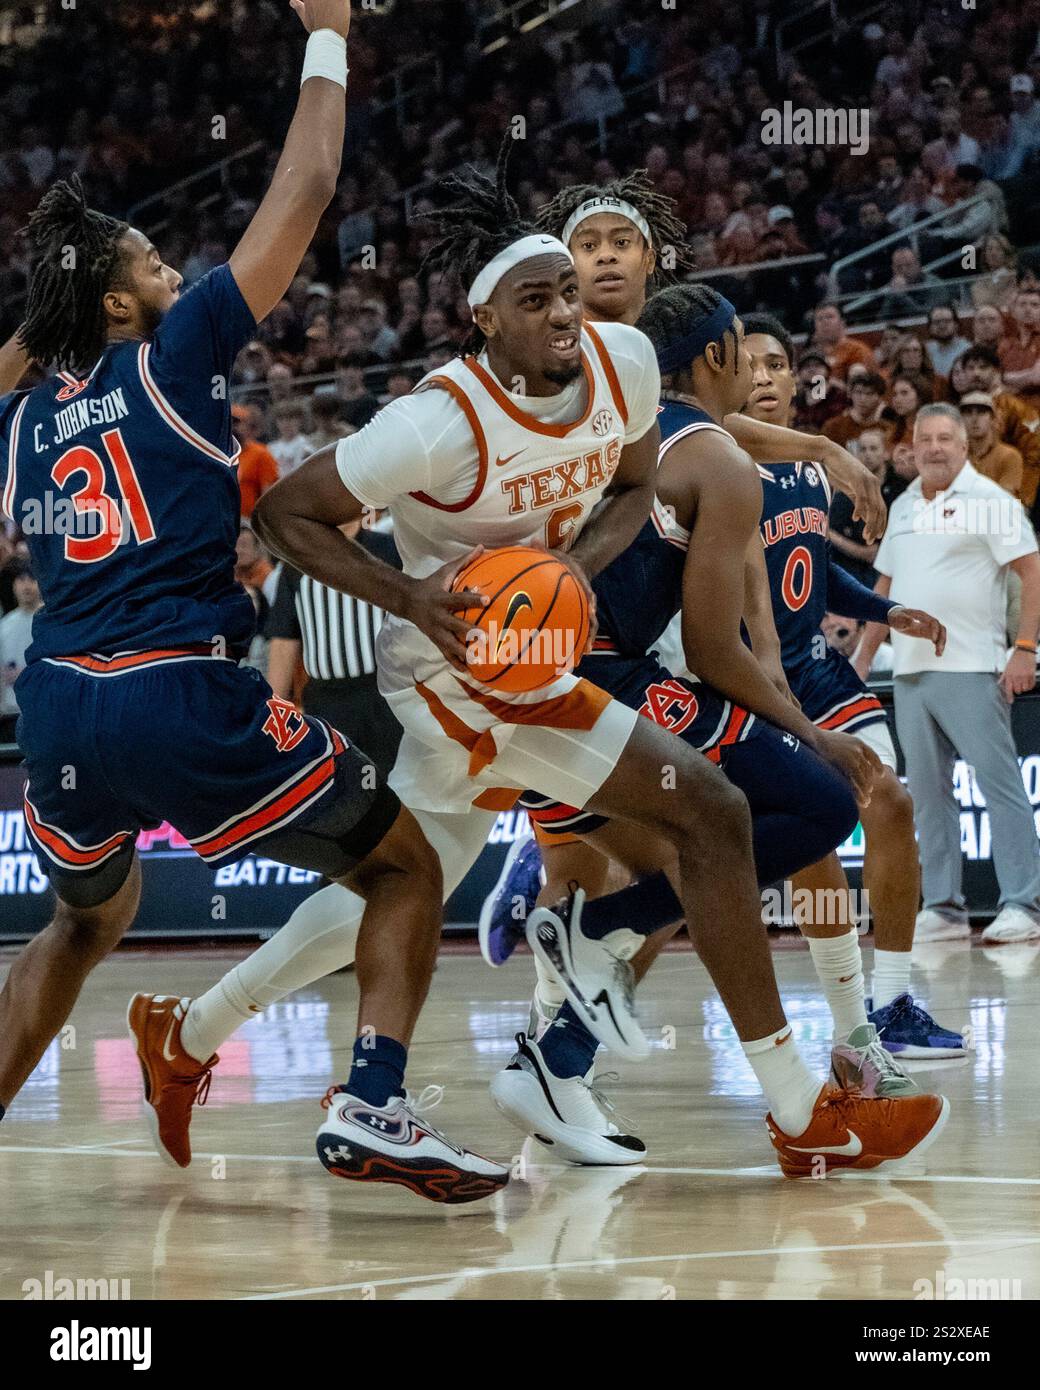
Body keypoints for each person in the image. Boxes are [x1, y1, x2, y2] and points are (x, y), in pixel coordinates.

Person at [195, 148, 945, 1181]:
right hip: (450, 675)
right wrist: (409, 594)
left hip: (541, 657)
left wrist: (573, 571)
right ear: (484, 320)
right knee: (703, 820)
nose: (561, 312)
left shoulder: (624, 366)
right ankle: (755, 1084)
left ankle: (200, 1032)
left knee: (413, 878)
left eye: (571, 290)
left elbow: (634, 482)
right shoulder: (429, 422)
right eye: (535, 297)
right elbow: (282, 513)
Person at [0, 1, 510, 1205]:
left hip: (61, 709)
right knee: (401, 870)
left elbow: (31, 347)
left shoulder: (20, 414)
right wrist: (327, 32)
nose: (173, 267)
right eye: (147, 260)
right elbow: (312, 177)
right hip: (173, 688)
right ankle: (372, 1104)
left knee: (81, 921)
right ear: (120, 305)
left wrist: (66, 284)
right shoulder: (176, 354)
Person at [741, 315, 965, 1056]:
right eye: (751, 366)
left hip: (817, 667)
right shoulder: (709, 462)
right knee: (816, 842)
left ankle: (894, 1001)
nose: (766, 377)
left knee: (891, 802)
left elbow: (811, 568)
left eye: (778, 364)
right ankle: (846, 1019)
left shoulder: (808, 469)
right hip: (751, 680)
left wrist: (883, 606)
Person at [856, 404, 1040, 945]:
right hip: (910, 672)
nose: (935, 448)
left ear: (963, 447)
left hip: (973, 665)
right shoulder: (906, 504)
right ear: (911, 448)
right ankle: (943, 906)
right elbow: (883, 590)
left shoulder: (992, 501)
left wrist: (1024, 647)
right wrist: (863, 660)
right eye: (925, 439)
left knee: (999, 786)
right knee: (928, 795)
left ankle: (1023, 904)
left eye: (945, 439)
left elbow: (1032, 572)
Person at [267, 517, 403, 777]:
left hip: (385, 698)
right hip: (327, 704)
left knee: (395, 788)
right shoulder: (297, 562)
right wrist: (275, 717)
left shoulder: (388, 550)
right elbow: (284, 640)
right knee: (337, 793)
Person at [0, 560, 41, 742]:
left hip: (42, 711)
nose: (26, 586)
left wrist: (27, 674)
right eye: (21, 580)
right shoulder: (4, 626)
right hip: (10, 714)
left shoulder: (50, 621)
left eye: (31, 579)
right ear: (14, 585)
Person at [961, 391, 1024, 497]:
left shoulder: (1009, 456)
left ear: (993, 419)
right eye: (968, 413)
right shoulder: (956, 456)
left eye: (981, 412)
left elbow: (1004, 500)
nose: (974, 419)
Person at [231, 402, 279, 519]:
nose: (232, 427)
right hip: (223, 522)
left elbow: (269, 496)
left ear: (248, 426)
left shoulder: (261, 454)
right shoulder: (219, 456)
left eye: (237, 422)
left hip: (248, 523)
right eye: (229, 423)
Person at [809, 302, 878, 384]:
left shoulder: (857, 350)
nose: (825, 322)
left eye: (829, 317)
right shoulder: (811, 355)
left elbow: (867, 388)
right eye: (820, 319)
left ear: (842, 322)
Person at [821, 371, 887, 449]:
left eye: (869, 393)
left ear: (879, 398)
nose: (863, 399)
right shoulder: (833, 427)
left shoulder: (886, 430)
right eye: (858, 392)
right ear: (850, 394)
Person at [925, 303, 971, 378]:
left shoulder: (968, 350)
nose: (942, 326)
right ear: (930, 327)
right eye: (937, 322)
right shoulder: (925, 351)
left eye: (947, 321)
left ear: (956, 325)